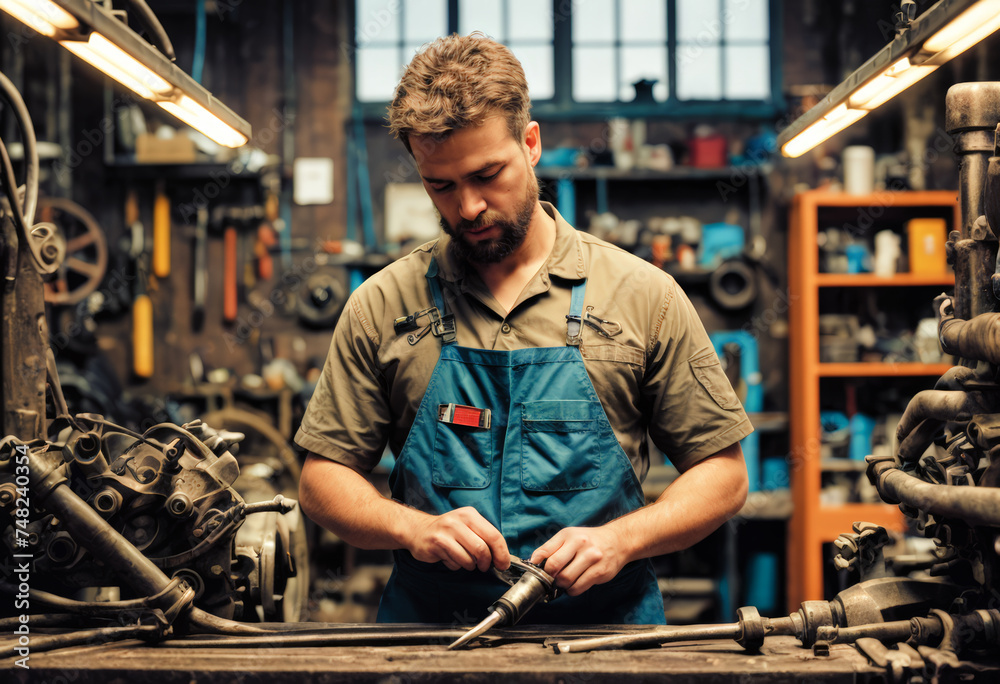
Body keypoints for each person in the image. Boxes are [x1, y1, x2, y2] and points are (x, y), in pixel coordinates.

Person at [295, 33, 752, 625]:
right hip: (433, 640)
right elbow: (322, 480)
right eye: (441, 185)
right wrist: (413, 528)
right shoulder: (382, 304)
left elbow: (723, 474)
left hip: (604, 642)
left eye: (488, 174)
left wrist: (622, 541)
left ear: (530, 144)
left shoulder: (645, 297)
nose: (469, 208)